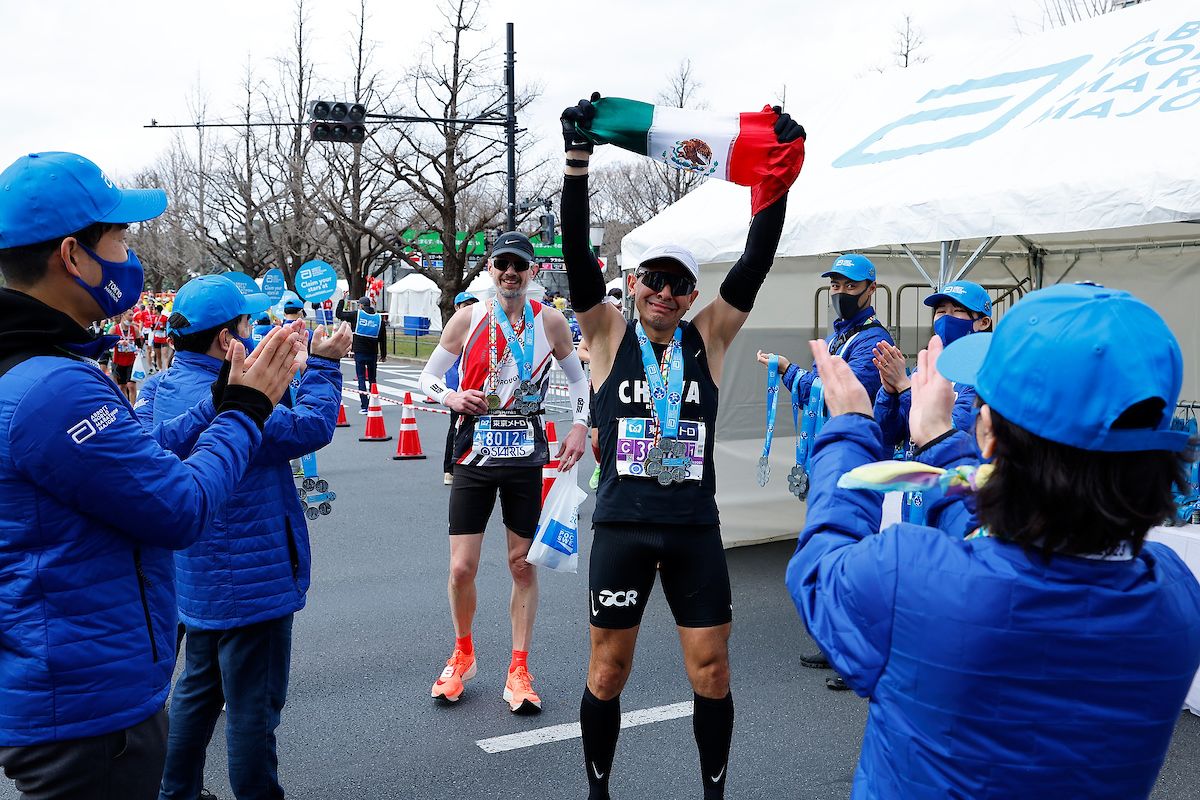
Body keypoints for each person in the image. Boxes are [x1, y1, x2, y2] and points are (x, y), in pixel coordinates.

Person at [787, 283, 1200, 799]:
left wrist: (849, 426)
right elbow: (1014, 544)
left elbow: (820, 567)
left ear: (988, 436)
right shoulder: (1176, 595)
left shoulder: (906, 578)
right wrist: (940, 441)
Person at [0, 151, 302, 800]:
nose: (129, 255)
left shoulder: (34, 369)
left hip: (65, 683)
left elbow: (139, 452)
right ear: (72, 255)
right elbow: (178, 507)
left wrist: (221, 405)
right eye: (119, 238)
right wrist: (247, 412)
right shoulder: (54, 388)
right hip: (88, 707)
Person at [560, 95, 805, 800]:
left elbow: (758, 257)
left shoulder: (711, 335)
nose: (666, 292)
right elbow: (577, 253)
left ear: (692, 291)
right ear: (633, 283)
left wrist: (775, 182)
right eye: (654, 279)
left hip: (695, 528)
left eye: (678, 283)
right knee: (607, 673)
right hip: (625, 526)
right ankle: (599, 792)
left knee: (713, 670)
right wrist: (578, 164)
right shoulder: (607, 334)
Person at [136, 275, 349, 800]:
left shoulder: (159, 390)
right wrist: (323, 364)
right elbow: (310, 428)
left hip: (195, 581)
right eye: (247, 324)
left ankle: (176, 791)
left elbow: (149, 443)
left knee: (194, 693)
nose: (254, 333)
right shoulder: (243, 400)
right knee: (254, 711)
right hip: (255, 584)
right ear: (227, 340)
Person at [419, 230, 590, 713]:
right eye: (502, 264)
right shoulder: (469, 317)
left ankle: (519, 667)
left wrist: (579, 426)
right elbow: (428, 378)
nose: (510, 273)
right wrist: (450, 396)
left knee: (522, 564)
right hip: (473, 454)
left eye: (519, 265)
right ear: (490, 269)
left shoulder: (550, 321)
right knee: (461, 567)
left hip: (524, 459)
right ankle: (463, 653)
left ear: (532, 271)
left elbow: (580, 382)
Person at [755, 252, 895, 687]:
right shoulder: (841, 337)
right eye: (835, 286)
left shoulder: (873, 341)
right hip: (836, 453)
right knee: (835, 546)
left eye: (850, 286)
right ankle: (837, 639)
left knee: (853, 549)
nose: (840, 294)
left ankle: (856, 650)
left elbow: (844, 395)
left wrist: (788, 370)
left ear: (871, 290)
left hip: (859, 456)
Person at [872, 280, 992, 531]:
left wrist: (905, 388)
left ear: (983, 322)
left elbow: (951, 430)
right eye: (940, 311)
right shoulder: (926, 367)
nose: (946, 318)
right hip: (918, 493)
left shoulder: (987, 371)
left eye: (957, 310)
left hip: (964, 496)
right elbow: (889, 433)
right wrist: (889, 392)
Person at [442, 291, 479, 485]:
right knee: (455, 427)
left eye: (473, 304)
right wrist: (454, 391)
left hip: (476, 387)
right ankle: (449, 469)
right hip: (458, 388)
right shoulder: (454, 328)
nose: (470, 308)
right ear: (457, 307)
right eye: (466, 305)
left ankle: (469, 465)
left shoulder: (479, 326)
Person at [336, 293, 388, 413]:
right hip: (373, 352)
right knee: (372, 379)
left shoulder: (357, 315)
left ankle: (364, 406)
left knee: (361, 378)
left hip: (359, 351)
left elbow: (339, 314)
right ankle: (373, 403)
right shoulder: (379, 319)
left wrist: (342, 300)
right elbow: (383, 339)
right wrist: (383, 354)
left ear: (360, 306)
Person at [108, 308, 144, 403]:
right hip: (118, 361)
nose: (132, 317)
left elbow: (139, 344)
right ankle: (127, 405)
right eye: (130, 315)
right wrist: (119, 342)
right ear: (123, 315)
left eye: (133, 315)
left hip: (131, 361)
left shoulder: (134, 329)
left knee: (131, 385)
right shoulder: (114, 329)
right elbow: (107, 343)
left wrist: (135, 346)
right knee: (122, 386)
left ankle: (133, 408)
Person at [151, 302, 172, 371]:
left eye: (154, 309)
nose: (153, 311)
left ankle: (166, 369)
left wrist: (164, 328)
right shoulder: (153, 318)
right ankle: (160, 370)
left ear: (157, 310)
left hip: (164, 339)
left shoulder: (165, 318)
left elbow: (168, 327)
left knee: (165, 354)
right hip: (156, 339)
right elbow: (152, 328)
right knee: (158, 355)